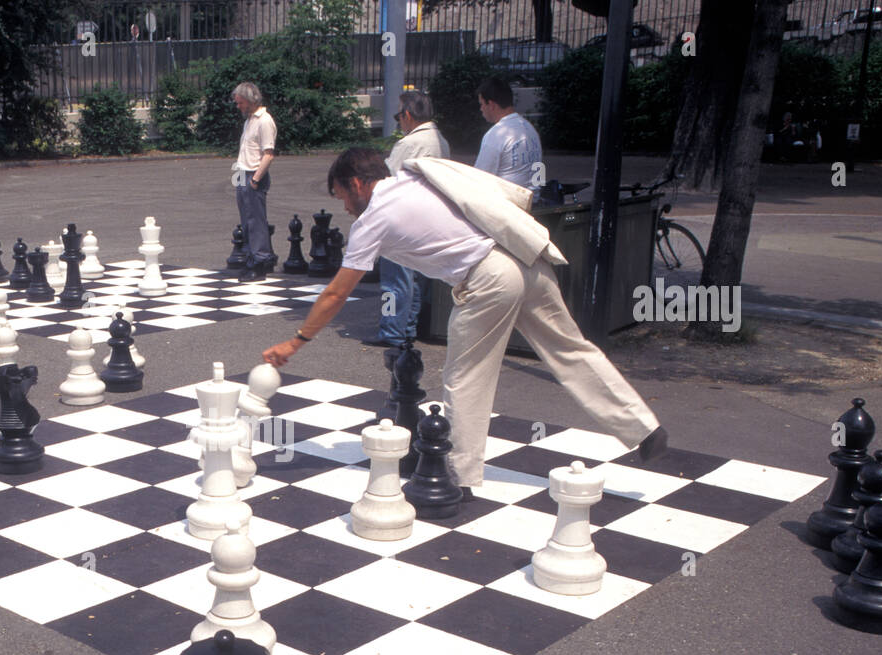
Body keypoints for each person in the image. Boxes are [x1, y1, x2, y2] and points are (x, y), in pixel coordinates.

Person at [261, 148, 666, 490]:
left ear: (357, 183)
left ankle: (456, 476)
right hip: (525, 259)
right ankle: (643, 428)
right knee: (571, 350)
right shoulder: (417, 179)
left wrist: (295, 342)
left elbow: (336, 293)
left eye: (342, 197)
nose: (346, 209)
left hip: (487, 277)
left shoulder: (374, 217)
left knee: (466, 377)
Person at [366, 91, 451, 348]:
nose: (398, 122)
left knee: (395, 281)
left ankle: (392, 332)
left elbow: (387, 182)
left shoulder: (408, 144)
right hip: (429, 218)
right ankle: (408, 329)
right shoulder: (441, 141)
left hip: (403, 219)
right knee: (415, 278)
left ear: (407, 115)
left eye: (397, 116)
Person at [231, 82, 276, 281]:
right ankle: (251, 257)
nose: (238, 106)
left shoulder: (264, 121)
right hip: (242, 172)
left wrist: (256, 179)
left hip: (253, 174)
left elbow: (268, 154)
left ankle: (260, 261)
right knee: (246, 221)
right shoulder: (249, 119)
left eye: (240, 103)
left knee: (256, 221)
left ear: (250, 101)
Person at [474, 76, 544, 198]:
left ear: (491, 104)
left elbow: (479, 180)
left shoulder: (495, 135)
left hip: (508, 207)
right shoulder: (531, 131)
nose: (481, 109)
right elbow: (539, 175)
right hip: (533, 202)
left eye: (481, 104)